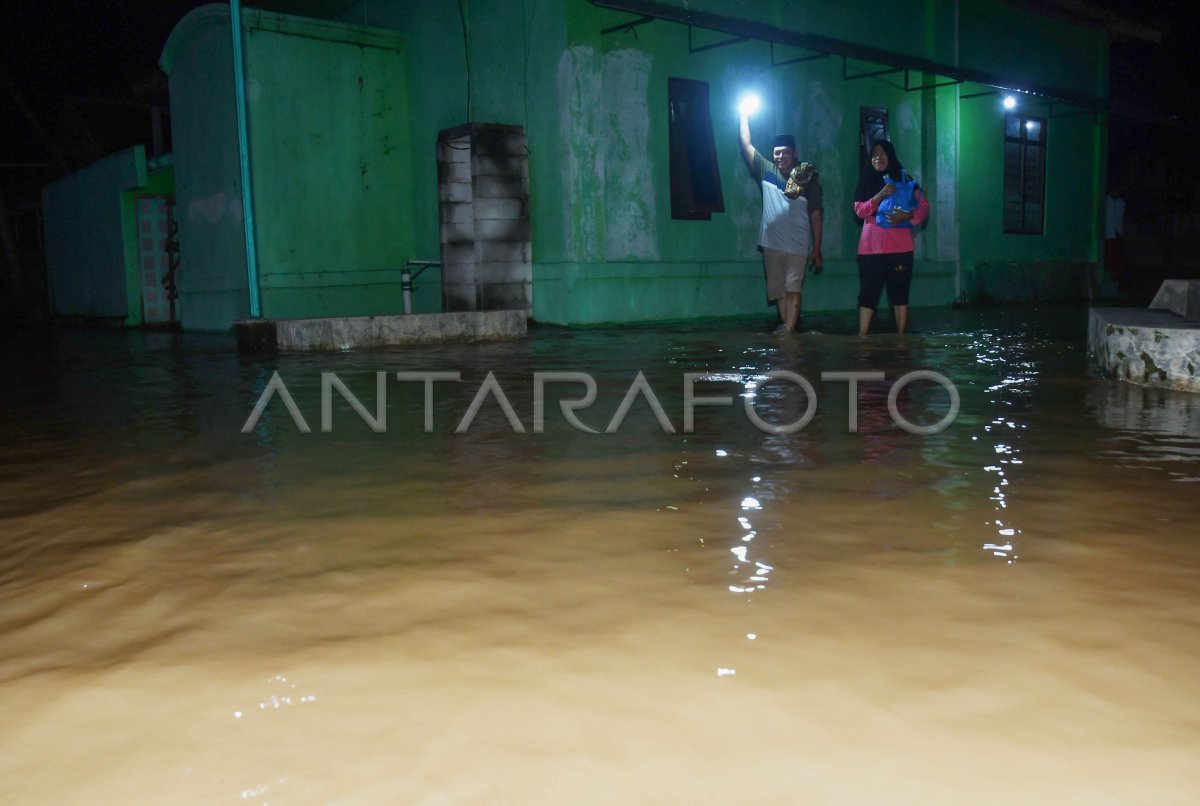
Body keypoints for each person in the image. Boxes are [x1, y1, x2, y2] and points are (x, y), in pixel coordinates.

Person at [739, 115, 823, 334]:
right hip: (771, 244)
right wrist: (743, 114)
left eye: (785, 152)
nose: (780, 156)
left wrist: (817, 248)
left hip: (797, 244)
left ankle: (788, 329)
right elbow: (746, 144)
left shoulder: (808, 178)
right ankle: (789, 331)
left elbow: (816, 215)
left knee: (793, 288)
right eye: (777, 152)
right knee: (779, 291)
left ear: (794, 153)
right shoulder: (766, 170)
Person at [852, 140, 929, 336]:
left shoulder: (905, 179)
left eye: (883, 153)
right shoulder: (865, 180)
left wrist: (907, 216)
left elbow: (924, 208)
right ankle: (862, 337)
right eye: (874, 154)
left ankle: (901, 338)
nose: (878, 157)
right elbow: (860, 211)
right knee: (868, 294)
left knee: (900, 294)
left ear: (891, 156)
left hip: (900, 249)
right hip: (871, 249)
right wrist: (880, 195)